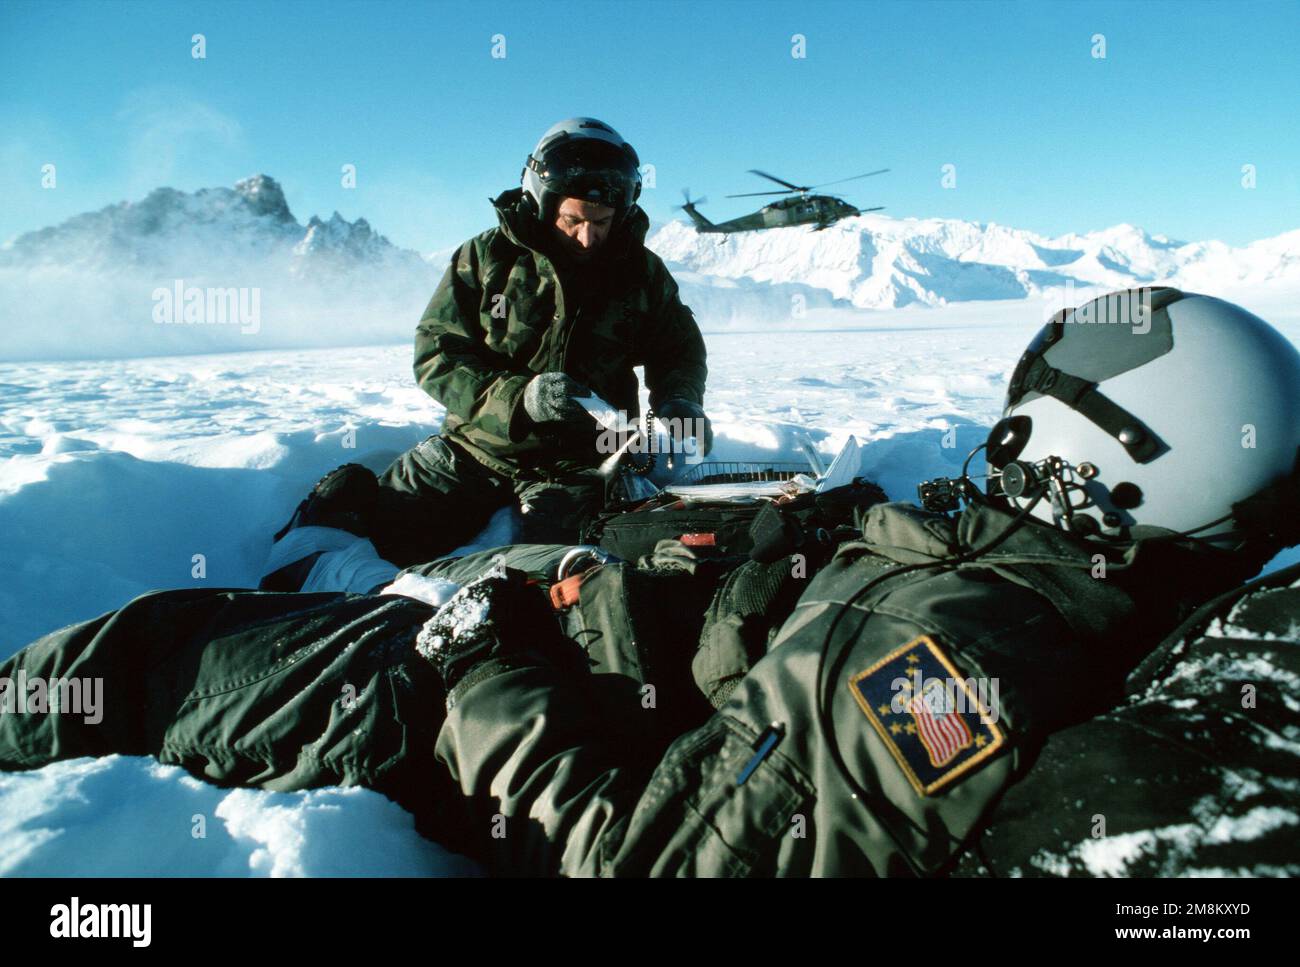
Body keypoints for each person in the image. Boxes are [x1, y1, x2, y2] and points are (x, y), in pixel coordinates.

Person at [3, 290, 1297, 877]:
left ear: (1100, 454)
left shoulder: (928, 668)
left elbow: (642, 854)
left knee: (146, 646)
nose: (1006, 429)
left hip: (451, 706)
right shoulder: (1033, 574)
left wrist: (471, 654)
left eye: (1042, 403)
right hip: (579, 611)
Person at [424, 288, 1300, 875]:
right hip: (663, 632)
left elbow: (646, 863)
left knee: (429, 597)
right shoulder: (1092, 593)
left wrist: (486, 667)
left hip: (513, 715)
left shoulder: (926, 669)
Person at [262, 117, 711, 590]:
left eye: (601, 223)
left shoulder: (640, 271)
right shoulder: (484, 259)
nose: (587, 237)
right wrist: (520, 400)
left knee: (562, 574)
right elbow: (437, 354)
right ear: (543, 202)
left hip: (582, 459)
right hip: (475, 446)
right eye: (573, 220)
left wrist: (681, 403)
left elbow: (677, 348)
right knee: (382, 534)